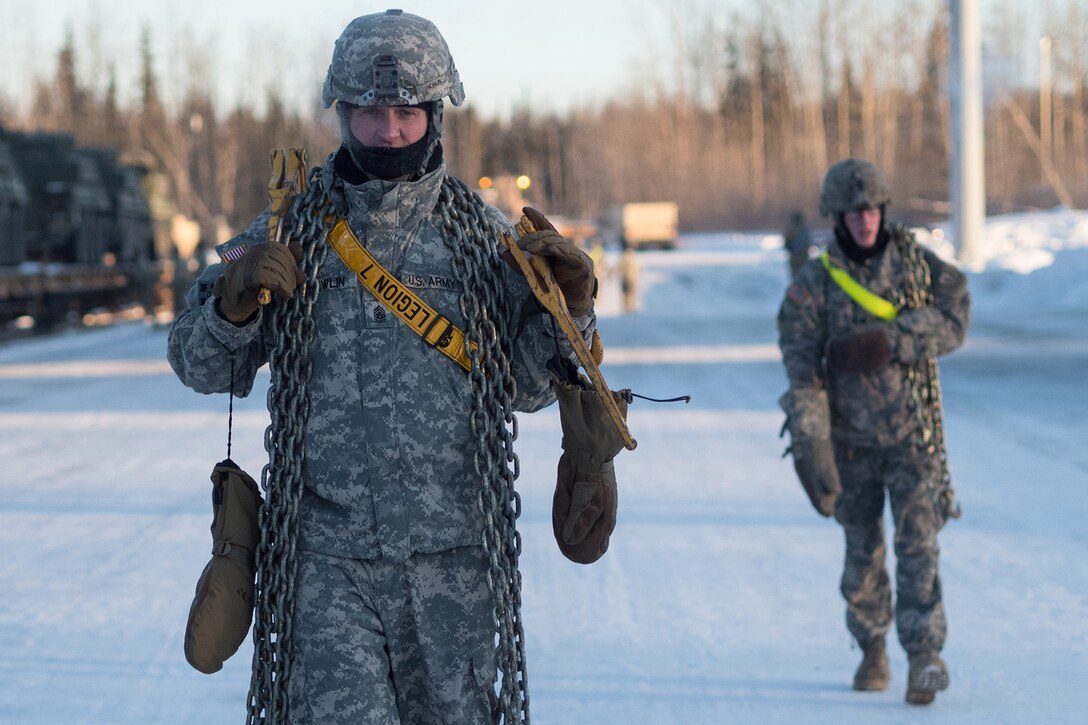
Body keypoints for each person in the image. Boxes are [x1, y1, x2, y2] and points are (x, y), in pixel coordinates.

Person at [168, 10, 598, 723]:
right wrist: (231, 308)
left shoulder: (486, 240)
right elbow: (196, 362)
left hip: (455, 565)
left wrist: (570, 314)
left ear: (436, 112)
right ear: (341, 112)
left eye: (406, 111)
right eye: (370, 111)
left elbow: (525, 390)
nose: (390, 130)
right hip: (326, 568)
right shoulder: (283, 231)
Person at [776, 159, 970, 706]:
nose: (865, 220)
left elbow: (956, 312)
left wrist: (897, 339)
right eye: (854, 211)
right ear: (836, 216)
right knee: (862, 552)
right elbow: (801, 369)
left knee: (918, 547)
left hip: (912, 436)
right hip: (850, 444)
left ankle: (925, 658)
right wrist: (811, 449)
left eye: (873, 209)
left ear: (884, 210)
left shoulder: (915, 266)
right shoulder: (813, 285)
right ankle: (871, 649)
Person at [783, 209, 813, 280]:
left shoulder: (791, 230)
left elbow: (786, 246)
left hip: (795, 260)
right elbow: (809, 243)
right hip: (804, 259)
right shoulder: (805, 230)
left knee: (796, 280)